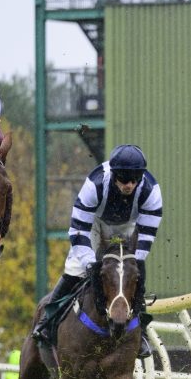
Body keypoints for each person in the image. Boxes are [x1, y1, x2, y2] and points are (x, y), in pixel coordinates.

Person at [32, 144, 162, 358]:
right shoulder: (95, 185)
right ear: (114, 175)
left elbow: (146, 236)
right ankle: (47, 321)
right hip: (93, 223)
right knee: (75, 269)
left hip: (128, 225)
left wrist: (135, 261)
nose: (129, 185)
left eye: (134, 180)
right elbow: (78, 230)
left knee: (133, 271)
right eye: (124, 180)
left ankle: (143, 332)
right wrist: (90, 264)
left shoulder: (151, 192)